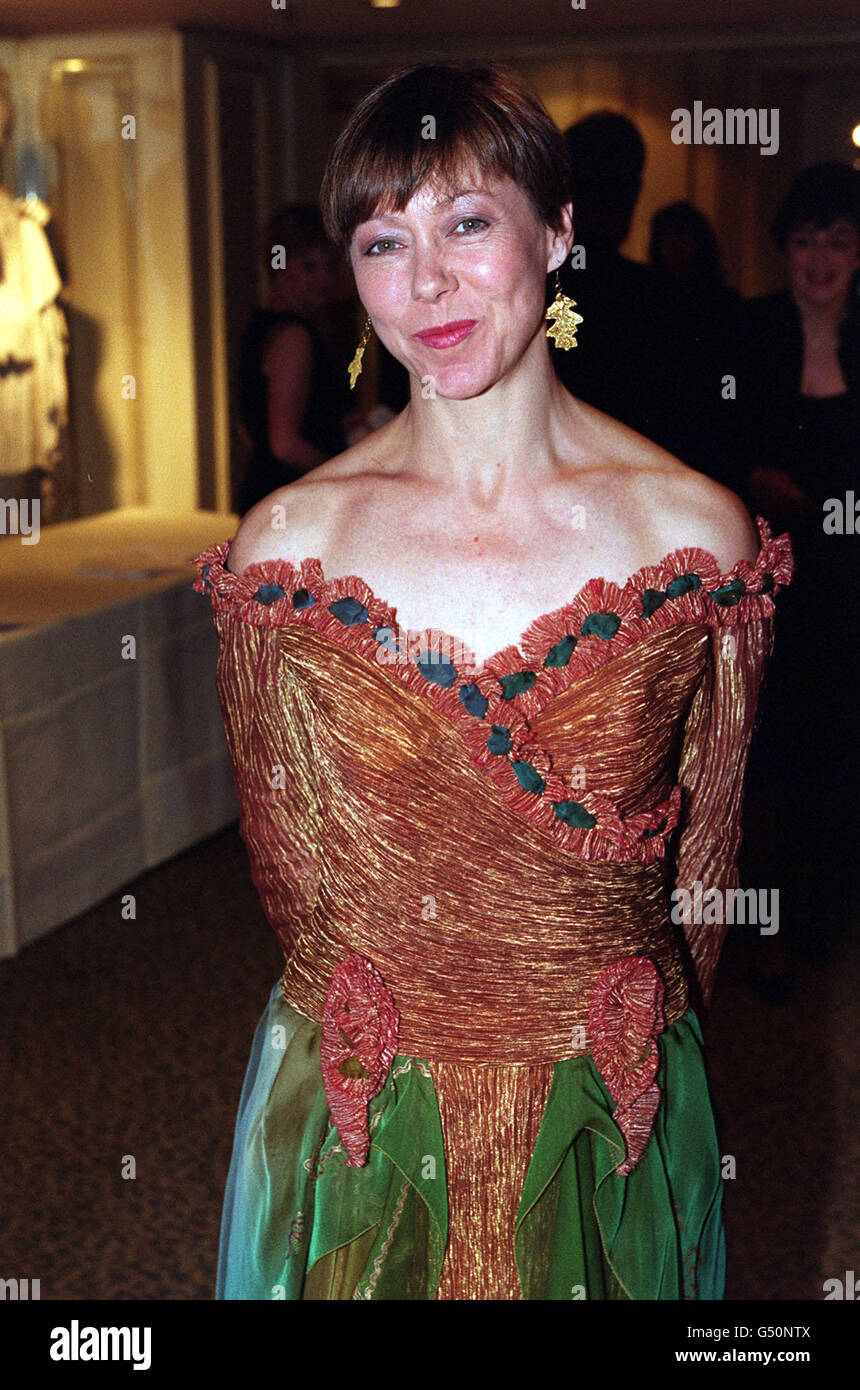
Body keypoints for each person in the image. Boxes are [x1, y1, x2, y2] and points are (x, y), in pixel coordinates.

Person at [193, 62, 793, 1300]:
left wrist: (608, 1060)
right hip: (367, 1126)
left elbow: (703, 868)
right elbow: (289, 873)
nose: (426, 283)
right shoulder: (288, 548)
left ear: (557, 232)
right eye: (380, 240)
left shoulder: (693, 538)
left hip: (599, 1119)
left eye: (466, 222)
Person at [733, 163, 860, 980]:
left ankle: (828, 920)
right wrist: (751, 474)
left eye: (839, 243)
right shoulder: (745, 333)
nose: (820, 259)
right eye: (806, 242)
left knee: (841, 752)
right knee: (767, 758)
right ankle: (768, 931)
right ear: (784, 251)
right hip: (771, 585)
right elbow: (705, 439)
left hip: (852, 585)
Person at [234, 205, 348, 516]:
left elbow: (247, 427)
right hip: (289, 501)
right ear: (279, 267)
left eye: (330, 265)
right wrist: (350, 475)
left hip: (269, 495)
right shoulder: (293, 336)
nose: (324, 278)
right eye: (309, 267)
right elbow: (284, 444)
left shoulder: (261, 323)